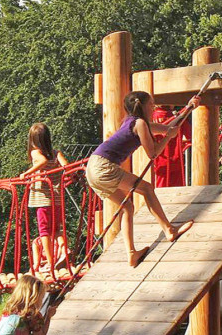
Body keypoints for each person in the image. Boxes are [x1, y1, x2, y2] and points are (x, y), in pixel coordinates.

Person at [85, 91, 199, 267]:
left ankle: (131, 253)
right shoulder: (139, 124)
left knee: (127, 207)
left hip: (92, 168)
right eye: (151, 104)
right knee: (146, 188)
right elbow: (153, 153)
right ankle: (169, 230)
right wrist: (168, 137)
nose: (154, 107)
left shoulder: (134, 122)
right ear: (144, 106)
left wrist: (188, 108)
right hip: (103, 166)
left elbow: (169, 127)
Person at [20, 123, 70, 273]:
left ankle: (50, 262)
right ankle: (63, 248)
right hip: (56, 198)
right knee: (56, 229)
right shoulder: (56, 153)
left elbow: (42, 162)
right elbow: (66, 165)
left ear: (33, 140)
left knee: (44, 232)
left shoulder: (36, 152)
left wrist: (27, 173)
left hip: (43, 198)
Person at [151, 106, 190, 188]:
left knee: (160, 193)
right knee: (178, 193)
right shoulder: (179, 118)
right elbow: (190, 136)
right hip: (176, 161)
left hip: (158, 162)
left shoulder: (150, 118)